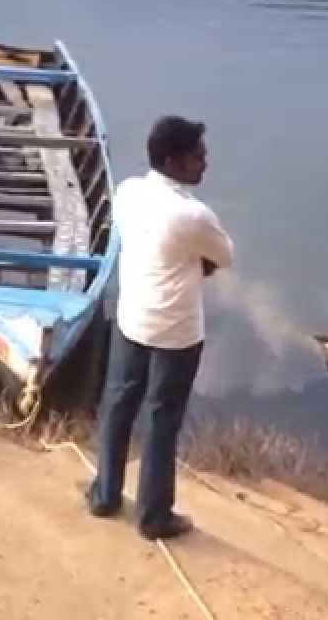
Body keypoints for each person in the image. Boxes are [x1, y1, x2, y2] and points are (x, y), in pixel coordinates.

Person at [85, 114, 234, 540]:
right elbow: (224, 257)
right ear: (173, 161)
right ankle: (154, 517)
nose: (205, 163)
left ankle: (105, 495)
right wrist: (194, 266)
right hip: (176, 333)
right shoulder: (193, 215)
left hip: (132, 320)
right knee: (162, 419)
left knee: (117, 405)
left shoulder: (129, 192)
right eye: (197, 157)